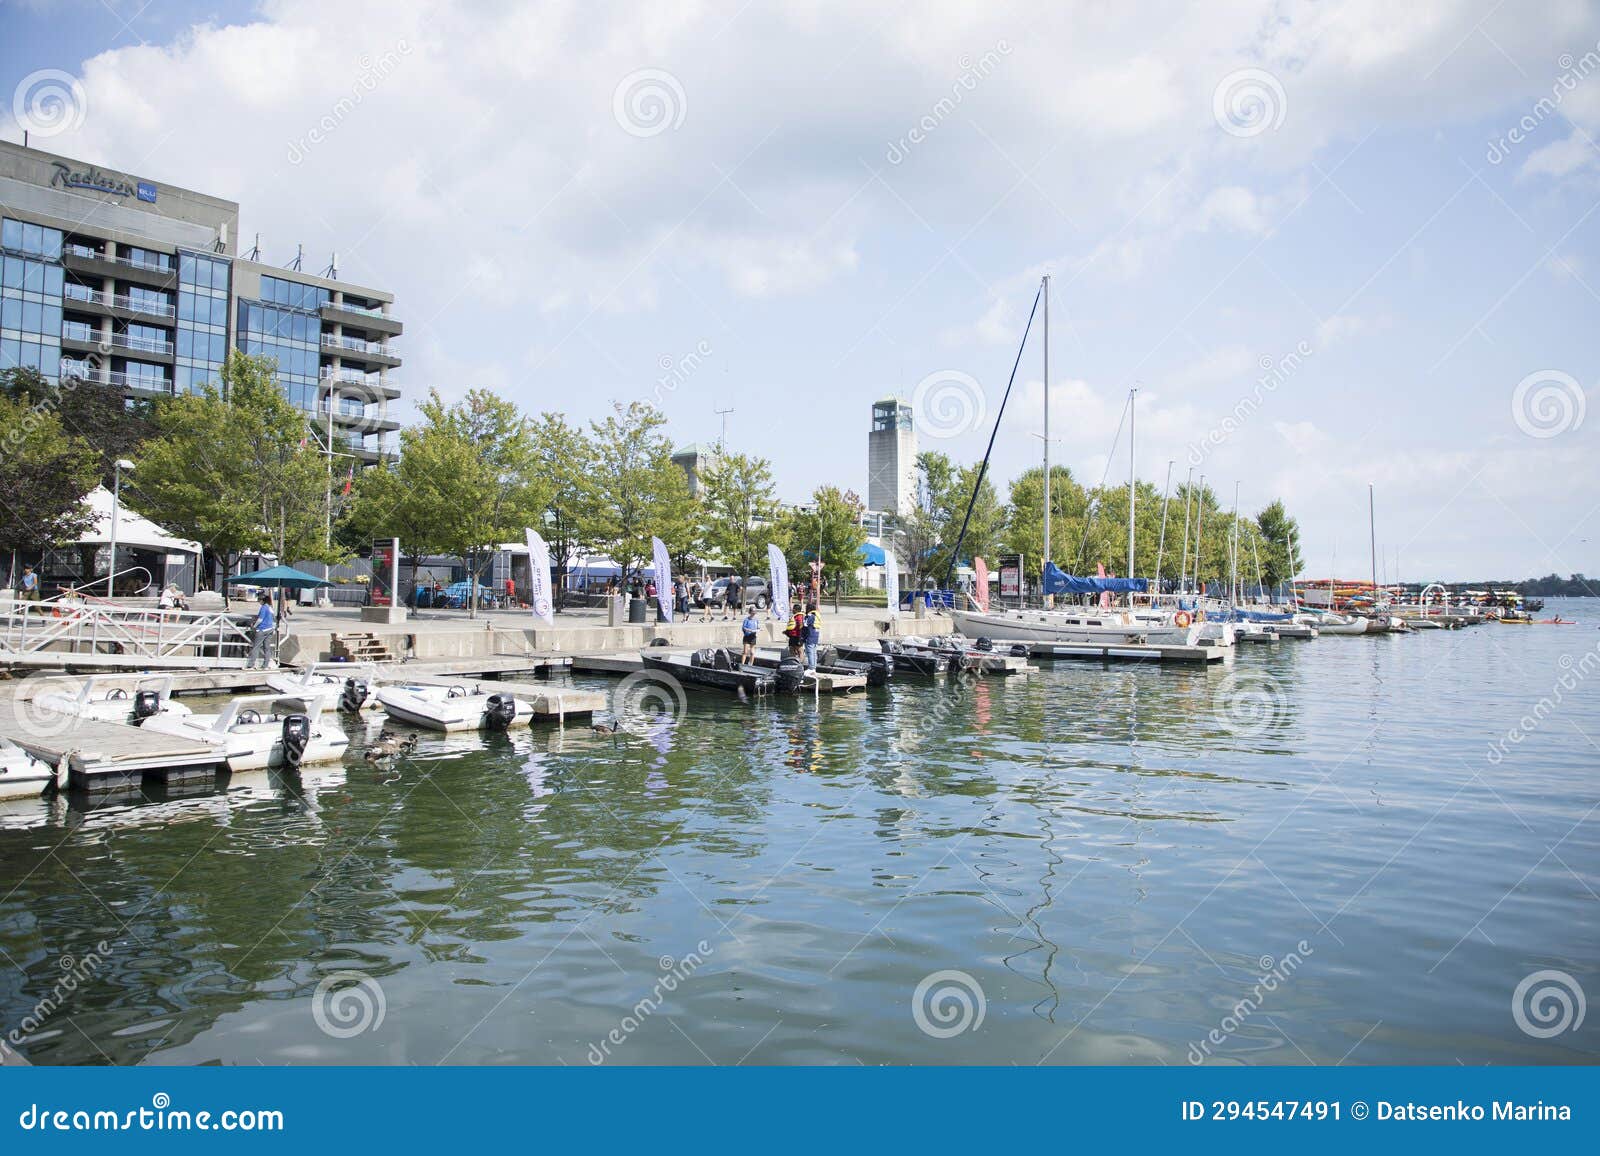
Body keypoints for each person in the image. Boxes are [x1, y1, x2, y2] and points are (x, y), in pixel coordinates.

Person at [248, 592, 275, 669]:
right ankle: (265, 665)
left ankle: (251, 665)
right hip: (270, 629)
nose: (258, 601)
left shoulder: (263, 607)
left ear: (263, 600)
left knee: (256, 647)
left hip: (262, 629)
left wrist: (254, 626)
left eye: (259, 600)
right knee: (267, 648)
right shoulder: (270, 608)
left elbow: (260, 619)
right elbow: (273, 618)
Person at [803, 604, 819, 670]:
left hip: (809, 636)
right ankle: (814, 667)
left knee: (810, 653)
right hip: (815, 636)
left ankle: (811, 668)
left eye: (806, 608)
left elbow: (805, 624)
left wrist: (804, 617)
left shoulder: (809, 616)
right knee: (814, 652)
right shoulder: (816, 615)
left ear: (809, 609)